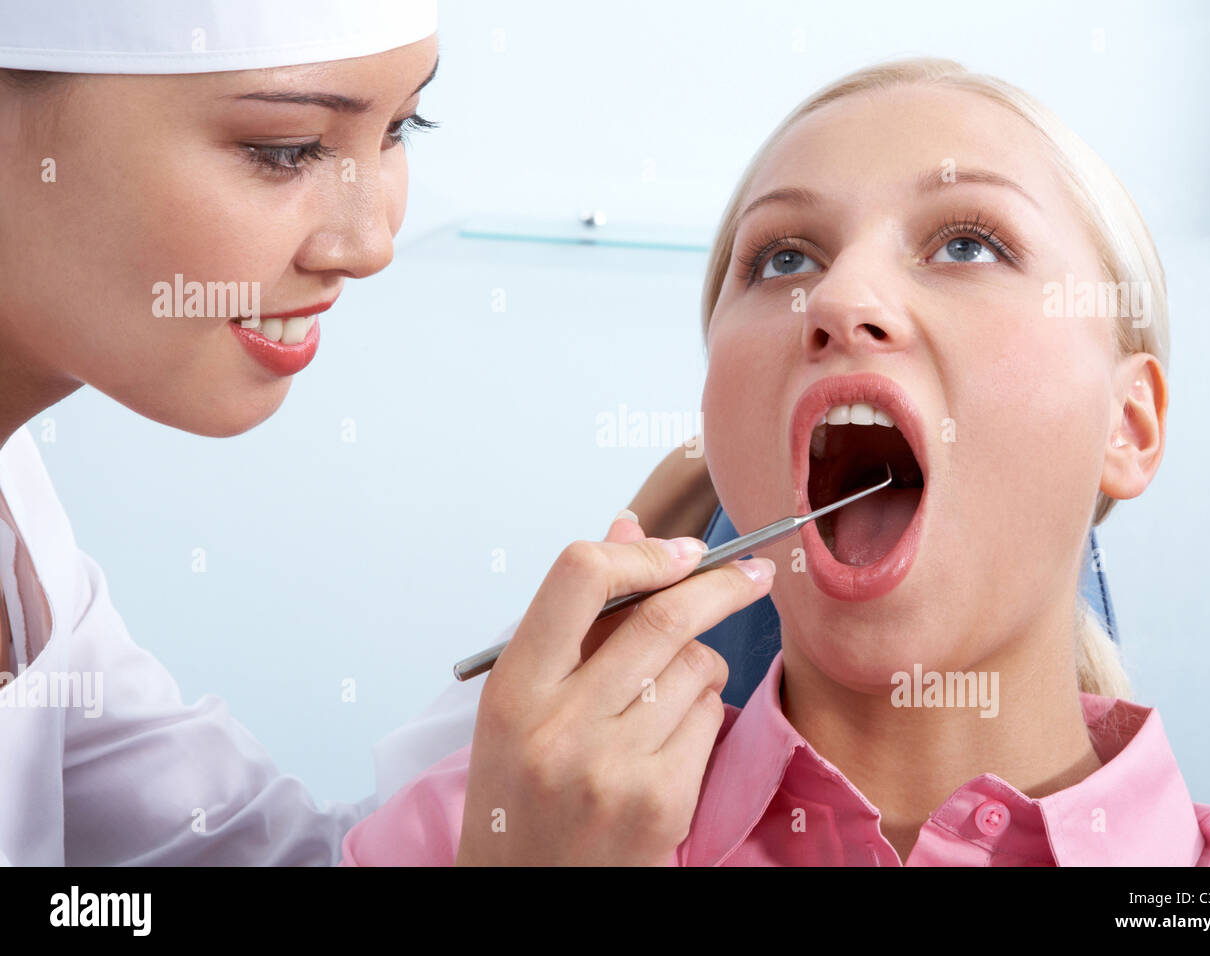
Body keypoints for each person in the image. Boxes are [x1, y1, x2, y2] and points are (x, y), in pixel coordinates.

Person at [341, 57, 1210, 866]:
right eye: (785, 260)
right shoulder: (489, 834)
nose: (840, 299)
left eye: (967, 244)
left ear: (1127, 427)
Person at [0, 0, 760, 865]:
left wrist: (537, 732)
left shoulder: (24, 533)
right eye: (285, 151)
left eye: (404, 125)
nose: (371, 245)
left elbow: (226, 854)